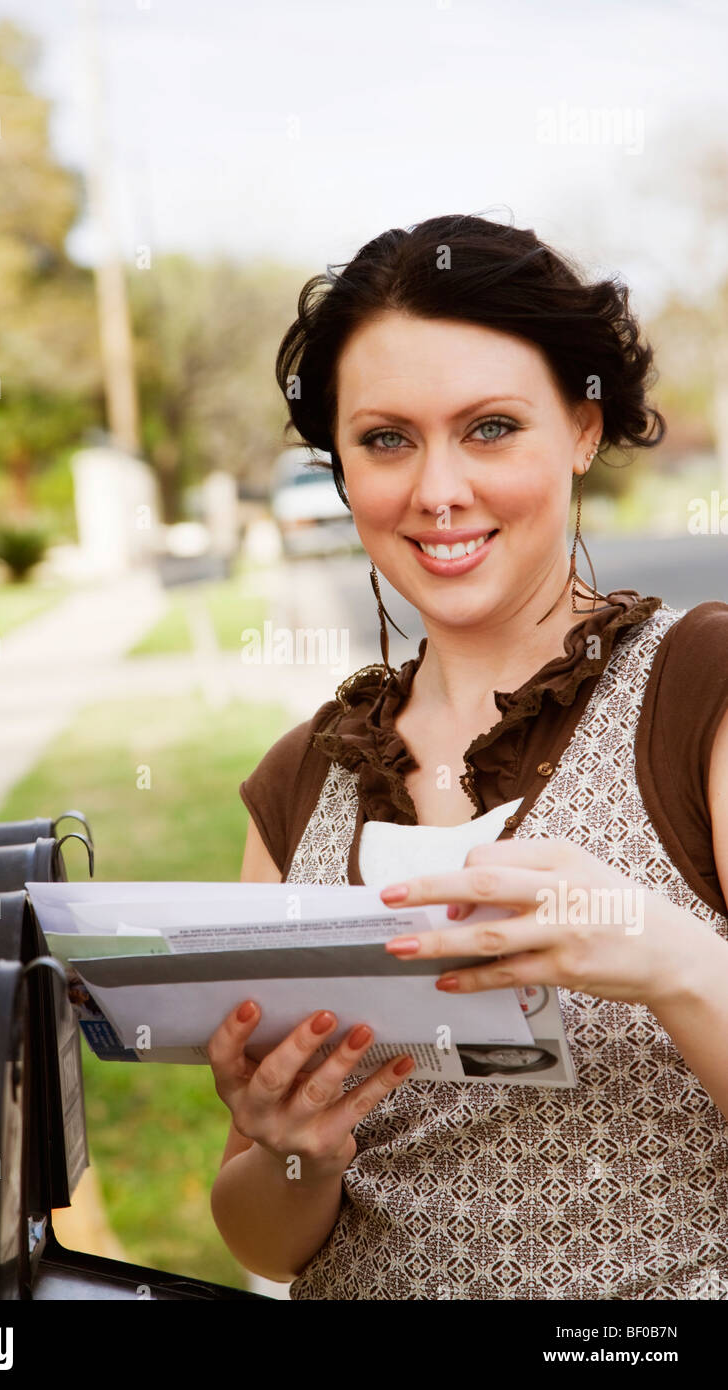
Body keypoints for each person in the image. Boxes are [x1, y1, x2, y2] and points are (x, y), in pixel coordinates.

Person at [209, 213, 728, 1300]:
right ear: (341, 467)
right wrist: (297, 1143)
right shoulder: (299, 778)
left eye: (489, 427)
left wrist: (674, 961)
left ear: (582, 427)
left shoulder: (699, 690)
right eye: (385, 439)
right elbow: (263, 1239)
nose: (436, 488)